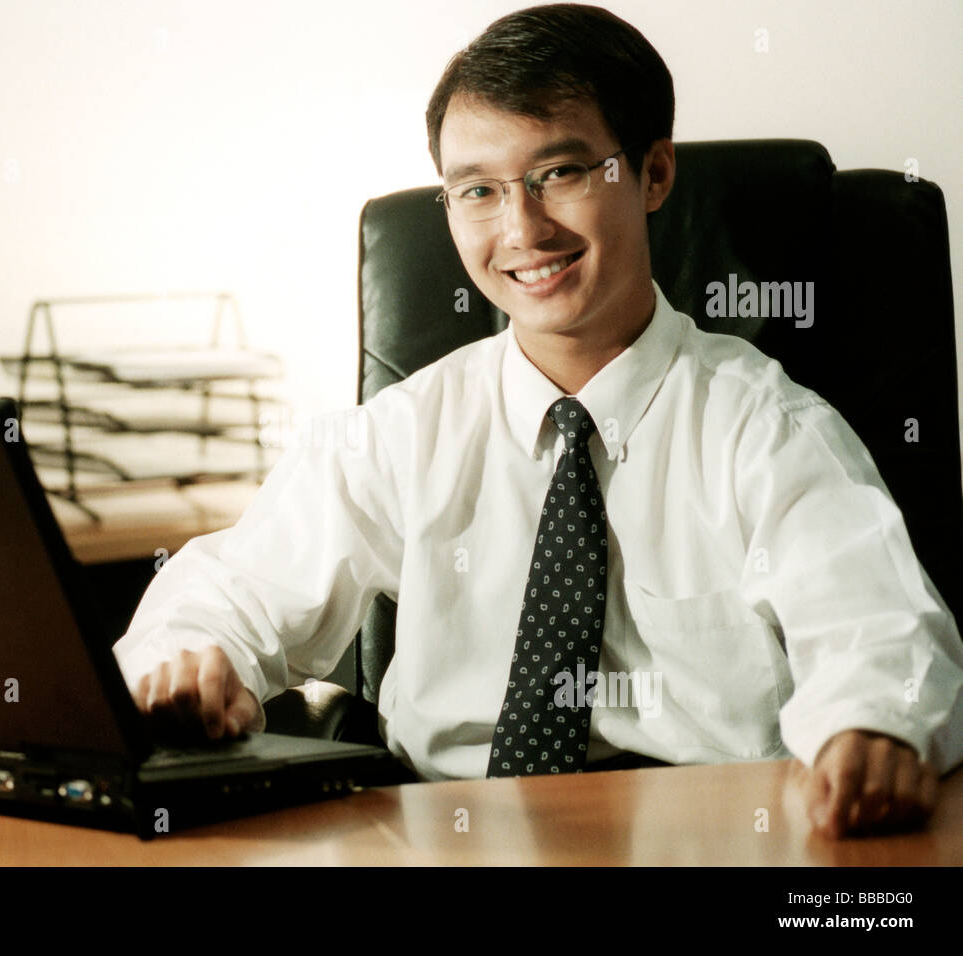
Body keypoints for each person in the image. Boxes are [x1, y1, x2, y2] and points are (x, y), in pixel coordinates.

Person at [113, 3, 963, 840]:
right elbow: (224, 596)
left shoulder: (765, 427)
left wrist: (870, 726)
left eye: (559, 173)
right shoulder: (404, 431)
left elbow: (877, 630)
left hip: (710, 837)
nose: (521, 229)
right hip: (443, 837)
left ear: (654, 173)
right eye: (477, 190)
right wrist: (195, 665)